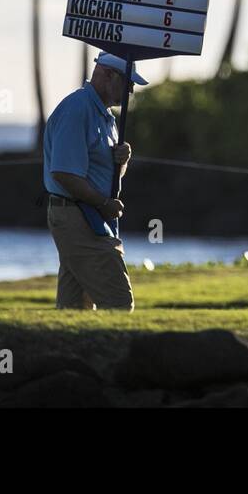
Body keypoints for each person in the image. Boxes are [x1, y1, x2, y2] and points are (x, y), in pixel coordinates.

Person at [41, 51, 145, 311]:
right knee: (119, 302)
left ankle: (69, 351)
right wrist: (103, 203)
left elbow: (105, 176)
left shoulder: (106, 117)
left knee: (74, 307)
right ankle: (117, 351)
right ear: (108, 75)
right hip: (78, 216)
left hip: (87, 215)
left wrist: (122, 162)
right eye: (128, 82)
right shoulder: (77, 110)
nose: (131, 90)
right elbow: (64, 174)